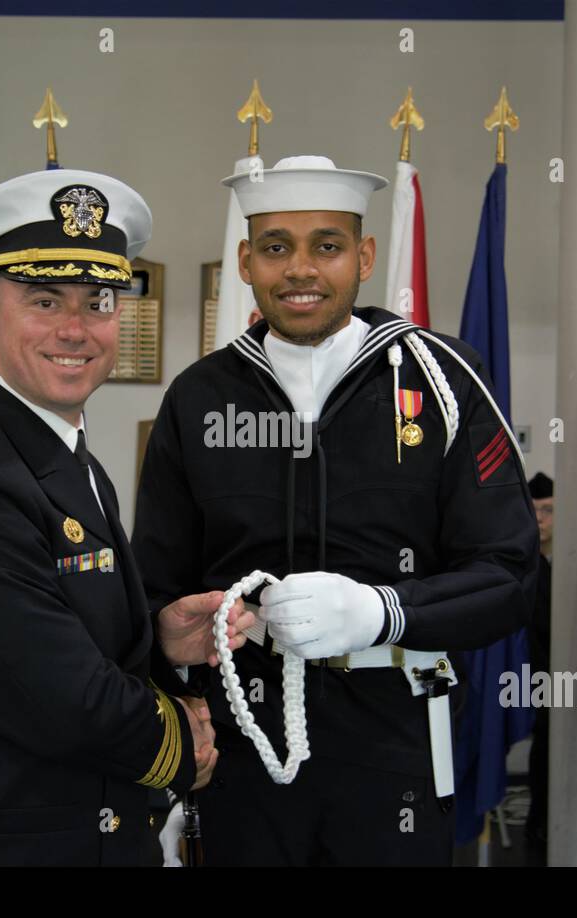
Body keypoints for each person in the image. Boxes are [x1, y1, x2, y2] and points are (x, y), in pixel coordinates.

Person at [133, 155, 539, 866]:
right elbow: (157, 588)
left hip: (397, 733)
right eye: (276, 247)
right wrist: (171, 716)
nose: (300, 269)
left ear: (365, 255)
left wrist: (383, 611)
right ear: (246, 260)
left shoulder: (446, 382)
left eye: (327, 245)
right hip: (244, 736)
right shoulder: (198, 397)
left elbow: (508, 576)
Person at [0, 169, 250, 866]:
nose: (75, 329)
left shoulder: (67, 459)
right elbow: (61, 699)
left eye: (97, 301)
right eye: (43, 300)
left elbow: (59, 637)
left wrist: (159, 642)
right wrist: (180, 745)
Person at [525, 472, 553, 851]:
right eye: (531, 511)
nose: (539, 519)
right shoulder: (520, 572)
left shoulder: (566, 571)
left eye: (548, 510)